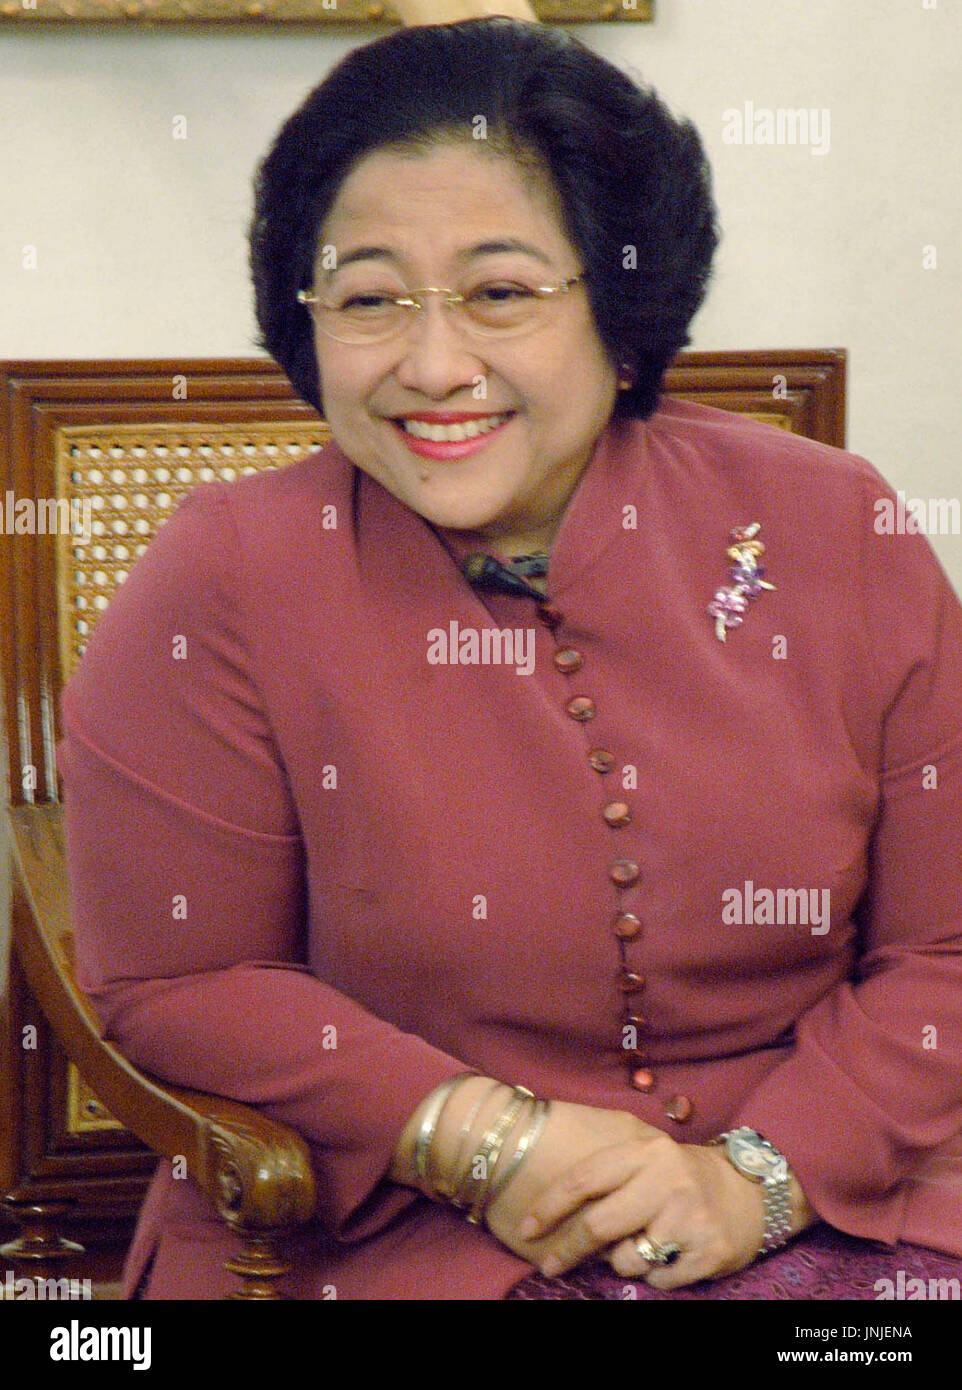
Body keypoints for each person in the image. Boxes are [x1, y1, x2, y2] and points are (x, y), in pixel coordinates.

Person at [58, 18, 962, 1301]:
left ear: (623, 304)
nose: (433, 366)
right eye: (369, 299)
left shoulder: (834, 525)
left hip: (837, 1204)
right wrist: (483, 1137)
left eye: (499, 292)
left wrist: (758, 1175)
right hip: (401, 1236)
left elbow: (944, 951)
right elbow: (181, 978)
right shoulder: (223, 577)